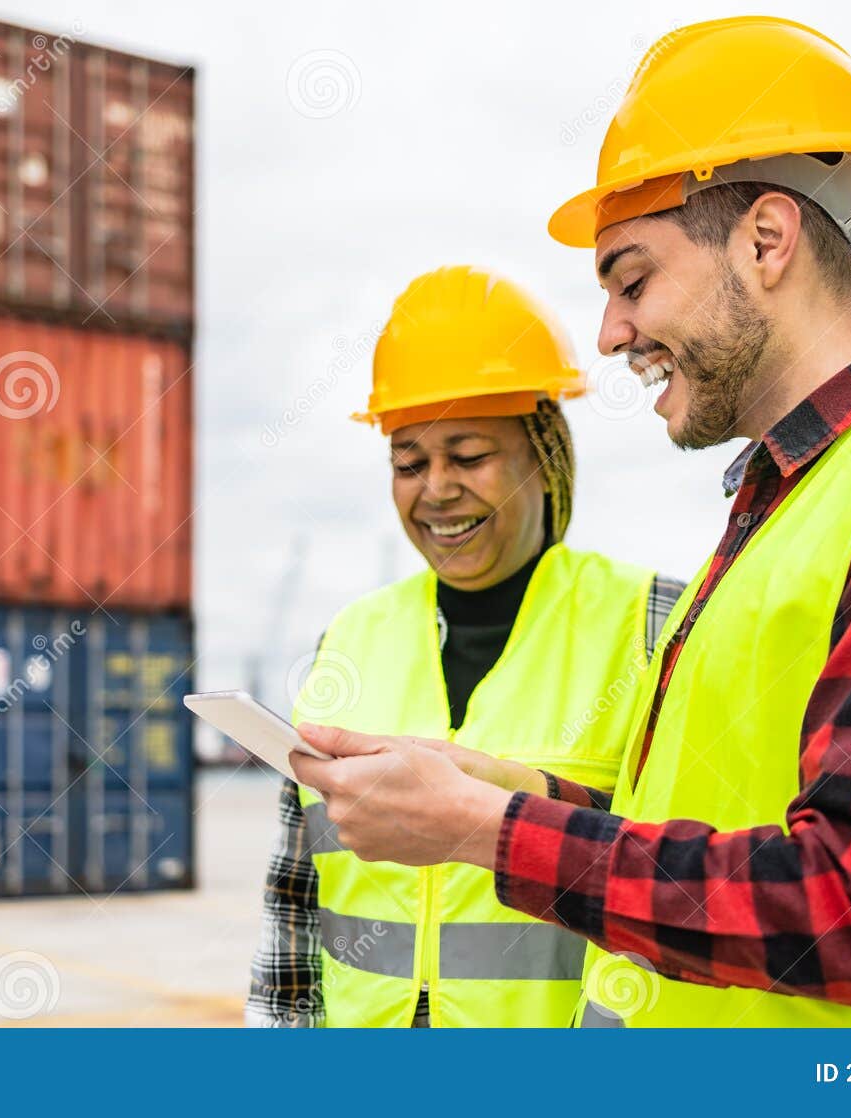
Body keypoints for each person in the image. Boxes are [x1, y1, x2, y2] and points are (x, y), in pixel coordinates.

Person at [291, 17, 851, 1028]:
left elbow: (849, 911)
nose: (612, 332)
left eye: (631, 279)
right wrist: (515, 793)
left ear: (765, 241)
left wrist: (488, 828)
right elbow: (717, 840)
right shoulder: (784, 510)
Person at [246, 265, 684, 1027]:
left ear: (544, 457)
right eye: (409, 462)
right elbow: (294, 904)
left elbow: (698, 873)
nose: (436, 489)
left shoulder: (654, 621)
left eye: (469, 455)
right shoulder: (348, 642)